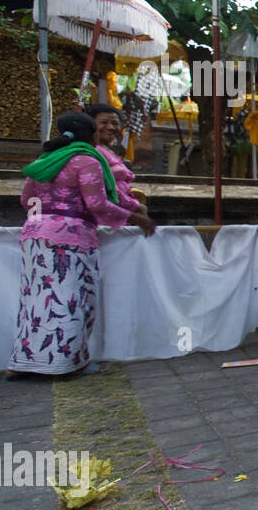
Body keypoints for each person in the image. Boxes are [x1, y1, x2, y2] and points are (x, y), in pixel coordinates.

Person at [9, 112, 150, 376]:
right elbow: (97, 203)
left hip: (34, 234)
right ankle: (65, 365)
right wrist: (134, 216)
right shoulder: (85, 160)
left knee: (35, 299)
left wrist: (47, 215)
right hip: (70, 236)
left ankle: (22, 364)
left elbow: (27, 200)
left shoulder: (44, 159)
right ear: (91, 134)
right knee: (71, 298)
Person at [86, 103, 156, 236]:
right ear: (91, 125)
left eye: (115, 123)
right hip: (105, 219)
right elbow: (105, 186)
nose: (111, 127)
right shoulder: (93, 152)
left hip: (121, 213)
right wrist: (135, 207)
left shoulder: (109, 151)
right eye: (104, 122)